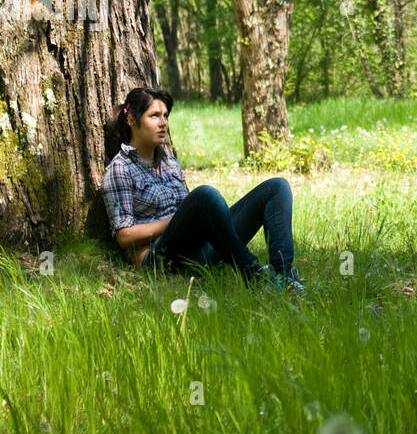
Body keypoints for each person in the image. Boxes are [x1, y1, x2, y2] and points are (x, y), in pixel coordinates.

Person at [99, 86, 305, 294]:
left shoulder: (170, 163)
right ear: (132, 120)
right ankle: (253, 274)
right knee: (204, 196)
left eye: (165, 116)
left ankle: (283, 277)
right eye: (154, 116)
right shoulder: (120, 169)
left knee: (277, 187)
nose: (163, 123)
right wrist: (175, 220)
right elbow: (124, 236)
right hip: (161, 259)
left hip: (199, 248)